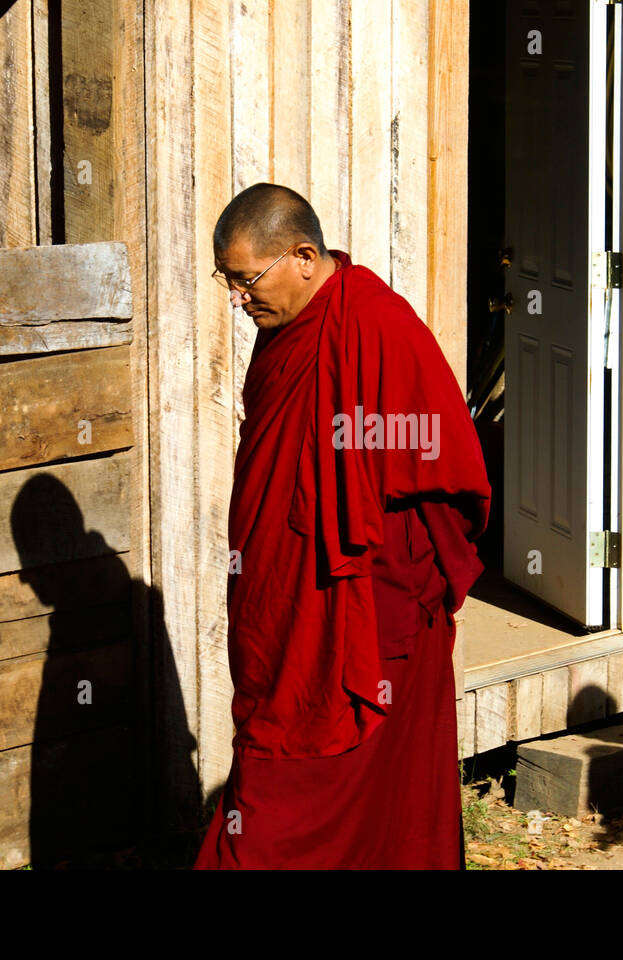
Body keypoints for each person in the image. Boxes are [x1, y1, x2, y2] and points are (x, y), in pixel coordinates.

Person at [192, 183, 491, 868]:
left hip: (366, 609)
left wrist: (401, 579)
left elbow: (450, 476)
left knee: (309, 792)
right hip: (285, 602)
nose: (238, 298)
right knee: (276, 741)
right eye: (229, 282)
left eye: (246, 280)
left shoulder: (376, 327)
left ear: (303, 255)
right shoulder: (288, 331)